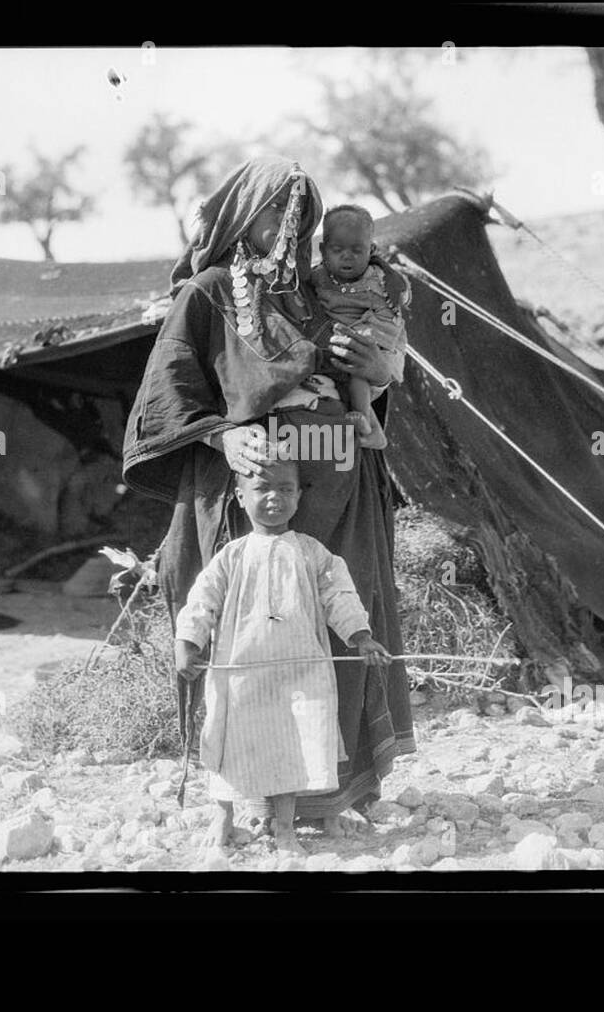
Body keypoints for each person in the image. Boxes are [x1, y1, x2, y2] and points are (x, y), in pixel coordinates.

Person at [123, 156, 415, 834]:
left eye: (300, 213)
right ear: (241, 214)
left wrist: (379, 372)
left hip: (340, 497)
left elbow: (367, 375)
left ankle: (326, 796)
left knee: (336, 625)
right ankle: (246, 795)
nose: (288, 226)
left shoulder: (319, 293)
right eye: (274, 210)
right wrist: (224, 438)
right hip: (248, 498)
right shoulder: (208, 294)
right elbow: (164, 401)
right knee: (253, 643)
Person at [173, 456, 392, 854]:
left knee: (292, 743)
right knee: (226, 739)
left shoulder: (313, 553)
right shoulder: (232, 556)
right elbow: (201, 601)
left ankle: (285, 826)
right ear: (240, 497)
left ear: (299, 496)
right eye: (262, 489)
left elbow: (339, 596)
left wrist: (361, 638)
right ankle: (222, 816)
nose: (275, 498)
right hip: (239, 673)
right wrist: (187, 645)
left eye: (286, 489)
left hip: (299, 674)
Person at [311, 204, 411, 450]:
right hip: (340, 341)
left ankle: (365, 421)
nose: (347, 256)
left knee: (359, 373)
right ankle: (373, 431)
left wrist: (399, 286)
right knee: (341, 378)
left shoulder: (380, 278)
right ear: (323, 250)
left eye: (357, 250)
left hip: (375, 339)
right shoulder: (317, 276)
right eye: (337, 249)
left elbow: (400, 300)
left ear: (371, 250)